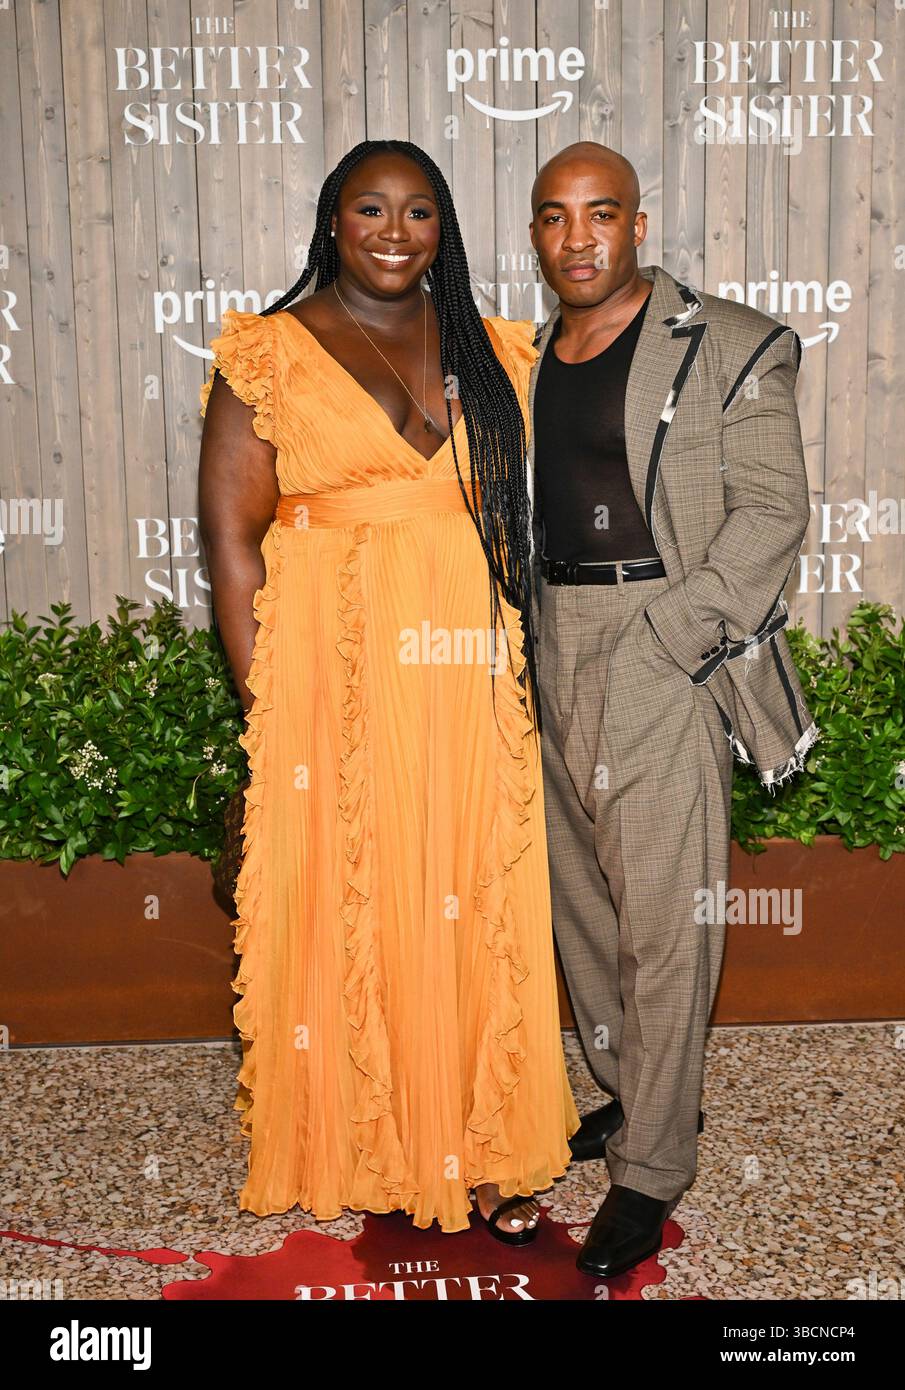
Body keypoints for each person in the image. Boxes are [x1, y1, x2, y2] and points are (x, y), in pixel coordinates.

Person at [198, 139, 579, 1241]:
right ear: (332, 220)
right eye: (370, 208)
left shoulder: (492, 349)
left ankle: (481, 1134)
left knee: (467, 878)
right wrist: (268, 702)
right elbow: (231, 540)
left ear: (442, 232)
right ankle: (362, 1135)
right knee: (353, 885)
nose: (394, 232)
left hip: (463, 664)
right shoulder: (266, 353)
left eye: (418, 213)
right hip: (331, 670)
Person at [526, 141, 818, 1277]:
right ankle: (623, 1090)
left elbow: (769, 518)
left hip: (663, 638)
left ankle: (652, 1164)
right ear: (536, 233)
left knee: (662, 913)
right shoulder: (519, 354)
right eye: (553, 219)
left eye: (600, 215)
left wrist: (667, 639)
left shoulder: (733, 344)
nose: (577, 239)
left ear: (637, 225)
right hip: (549, 638)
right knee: (584, 902)